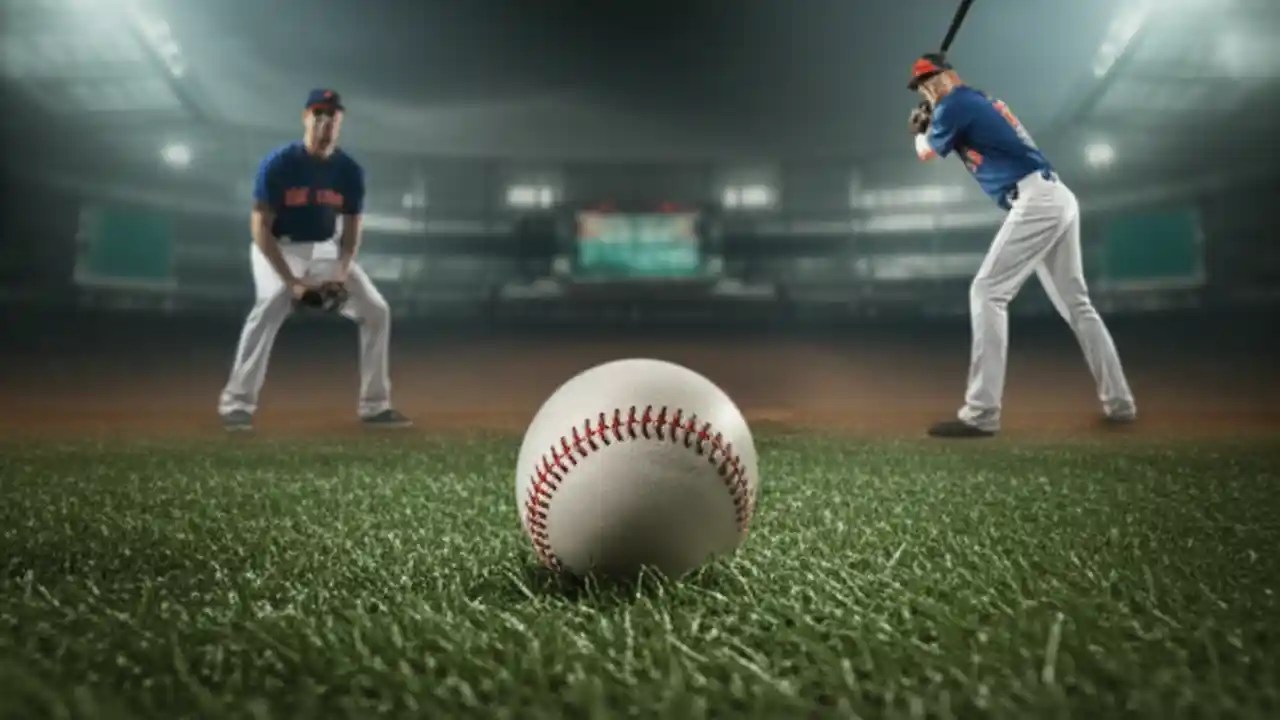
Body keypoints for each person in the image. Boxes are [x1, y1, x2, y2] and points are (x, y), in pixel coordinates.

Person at [907, 53, 1136, 438]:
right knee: (1077, 305)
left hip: (1036, 199)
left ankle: (981, 413)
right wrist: (932, 120)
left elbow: (927, 153)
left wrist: (919, 129)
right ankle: (1120, 402)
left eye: (931, 80)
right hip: (1054, 195)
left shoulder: (955, 104)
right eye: (922, 86)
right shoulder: (974, 100)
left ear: (949, 75)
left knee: (987, 291)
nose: (928, 88)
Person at [217, 88, 411, 432]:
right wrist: (291, 283)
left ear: (340, 123)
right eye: (318, 115)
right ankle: (237, 403)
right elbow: (260, 226)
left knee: (376, 310)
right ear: (305, 118)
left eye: (331, 117)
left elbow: (352, 228)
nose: (325, 122)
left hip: (325, 249)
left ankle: (375, 405)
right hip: (277, 247)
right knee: (272, 301)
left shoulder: (349, 170)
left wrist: (339, 271)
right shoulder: (280, 163)